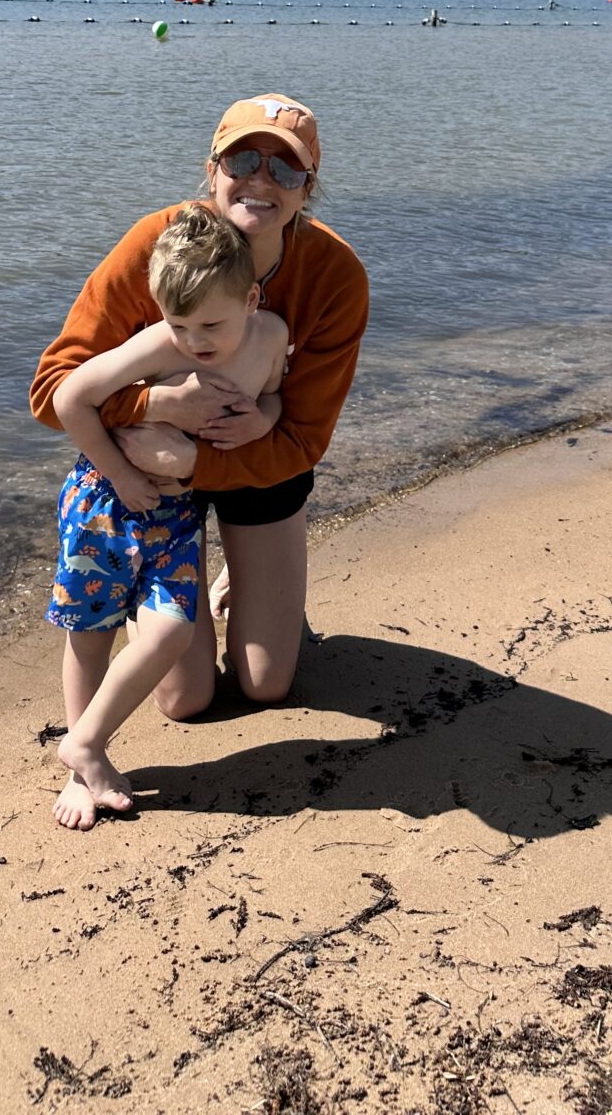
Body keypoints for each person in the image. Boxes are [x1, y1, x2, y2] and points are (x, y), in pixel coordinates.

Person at [30, 94, 368, 746]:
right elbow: (52, 391)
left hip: (260, 464)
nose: (261, 179)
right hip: (153, 482)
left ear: (307, 189)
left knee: (268, 683)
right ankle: (182, 594)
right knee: (184, 701)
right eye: (243, 158)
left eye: (285, 170)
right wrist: (156, 404)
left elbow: (304, 439)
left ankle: (257, 592)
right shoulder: (155, 248)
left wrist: (209, 455)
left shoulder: (334, 275)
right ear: (211, 169)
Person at [46, 204, 289, 828]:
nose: (194, 342)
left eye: (210, 324)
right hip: (107, 505)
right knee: (91, 632)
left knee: (170, 632)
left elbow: (274, 396)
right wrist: (124, 473)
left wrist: (263, 418)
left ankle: (83, 741)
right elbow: (69, 397)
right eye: (179, 324)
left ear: (252, 298)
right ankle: (85, 765)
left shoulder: (271, 337)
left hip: (177, 515)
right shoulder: (159, 345)